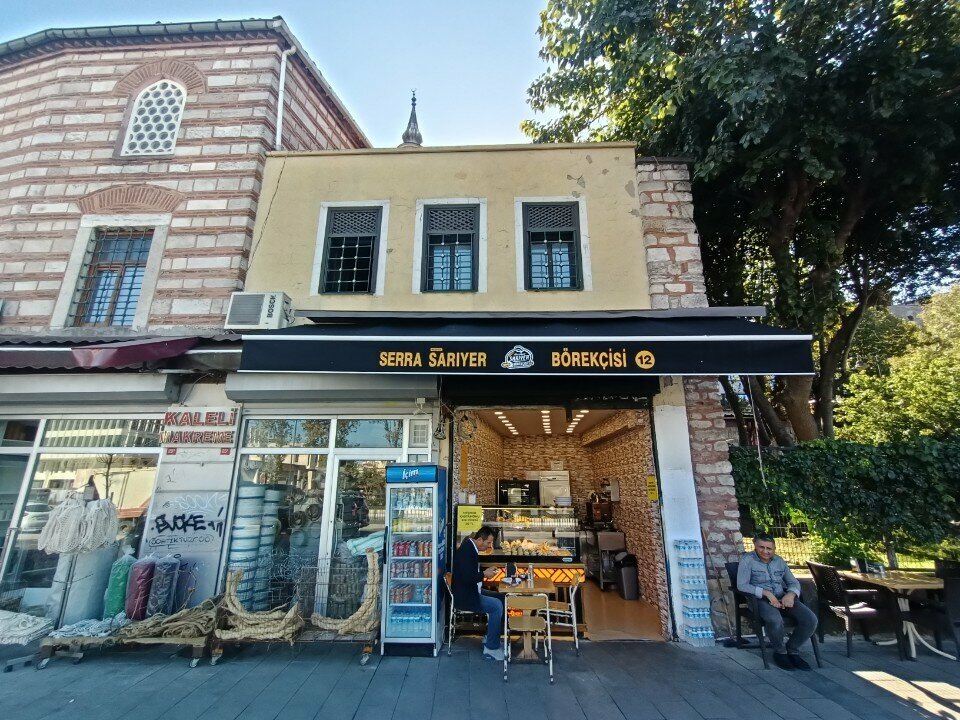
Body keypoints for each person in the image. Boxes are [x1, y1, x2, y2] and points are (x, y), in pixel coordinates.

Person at [737, 533, 818, 670]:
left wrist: (791, 594)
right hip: (760, 600)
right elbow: (742, 585)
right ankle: (780, 652)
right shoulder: (747, 560)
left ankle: (792, 649)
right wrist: (766, 594)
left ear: (774, 548)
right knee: (775, 620)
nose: (765, 551)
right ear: (755, 546)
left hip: (782, 597)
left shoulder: (779, 561)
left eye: (769, 548)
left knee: (810, 619)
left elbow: (793, 582)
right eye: (761, 547)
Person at [452, 525, 504, 660]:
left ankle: (491, 637)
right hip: (467, 597)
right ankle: (491, 649)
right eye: (488, 543)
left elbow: (469, 574)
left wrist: (484, 573)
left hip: (473, 590)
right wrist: (484, 574)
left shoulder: (470, 547)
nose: (489, 546)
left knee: (502, 597)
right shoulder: (466, 552)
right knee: (496, 606)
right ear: (480, 539)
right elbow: (467, 578)